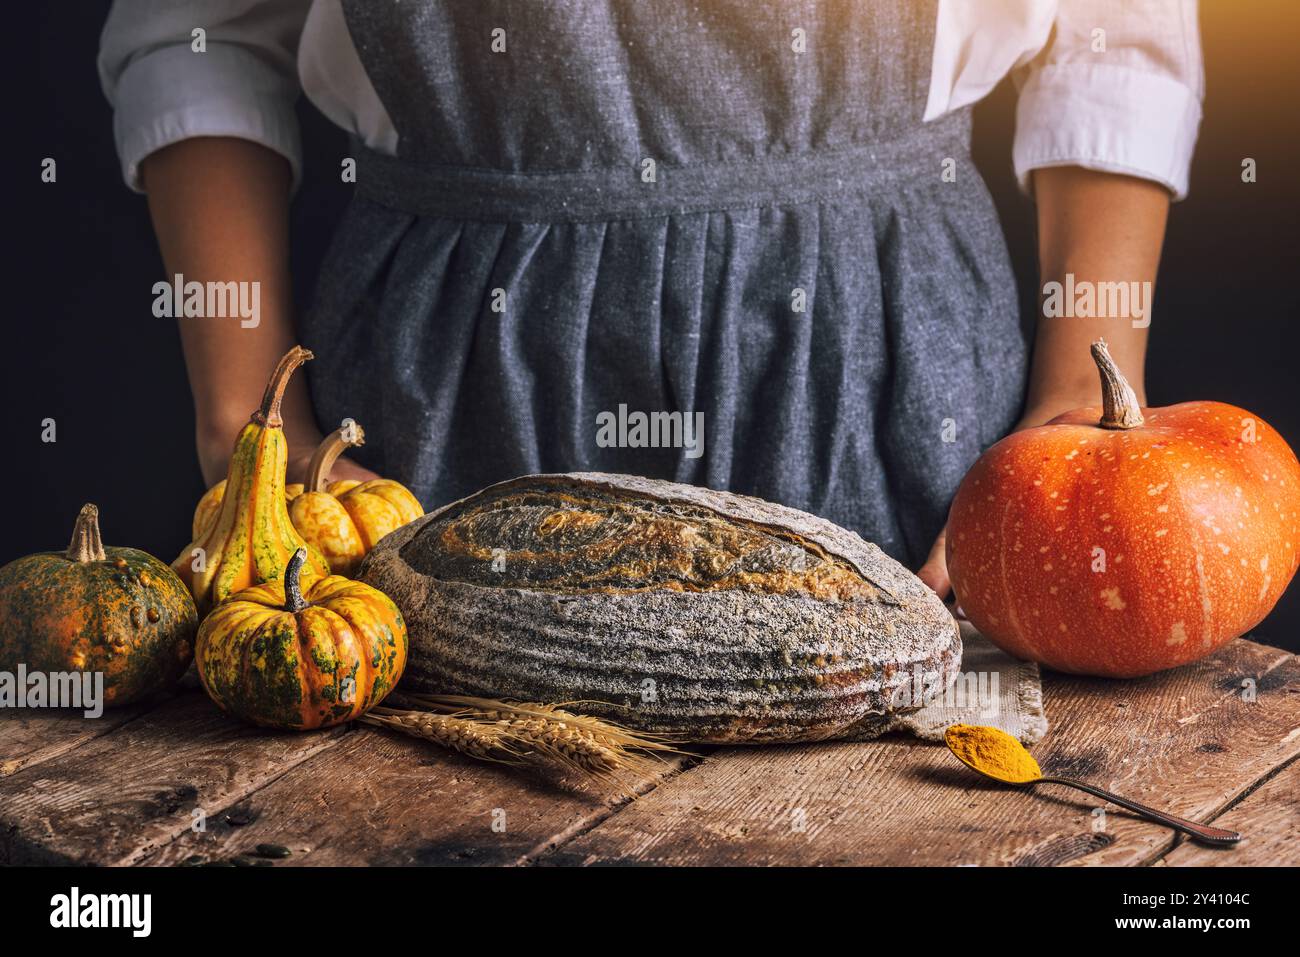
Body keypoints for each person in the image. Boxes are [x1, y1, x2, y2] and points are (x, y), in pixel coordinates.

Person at [99, 0, 1202, 598]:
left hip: (886, 371)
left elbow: (1119, 42)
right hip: (448, 376)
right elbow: (198, 38)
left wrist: (1076, 409)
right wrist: (246, 414)